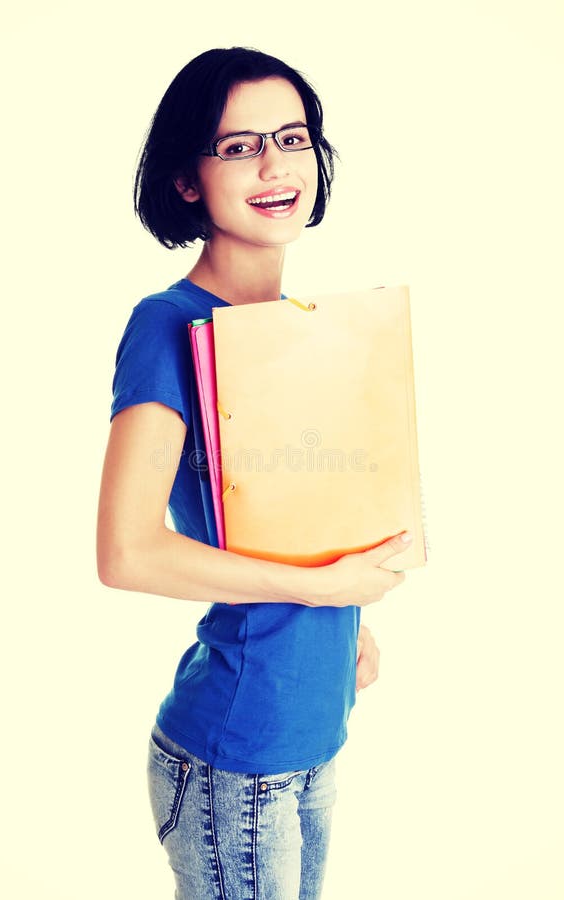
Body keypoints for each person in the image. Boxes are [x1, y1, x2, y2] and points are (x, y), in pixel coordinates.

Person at [96, 46, 412, 900]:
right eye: (239, 147)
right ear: (186, 180)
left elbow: (295, 518)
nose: (276, 166)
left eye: (293, 138)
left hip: (312, 734)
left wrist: (347, 617)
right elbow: (126, 552)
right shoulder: (168, 325)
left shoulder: (294, 328)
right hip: (236, 755)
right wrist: (321, 590)